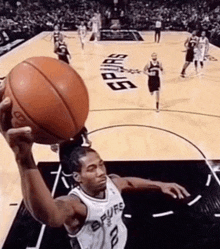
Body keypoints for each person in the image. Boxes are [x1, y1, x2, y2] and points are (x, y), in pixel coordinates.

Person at [0, 83, 190, 249]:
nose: (101, 173)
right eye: (91, 169)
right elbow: (50, 216)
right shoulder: (75, 205)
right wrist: (24, 159)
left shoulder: (112, 184)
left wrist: (161, 185)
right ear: (77, 177)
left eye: (101, 165)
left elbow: (128, 183)